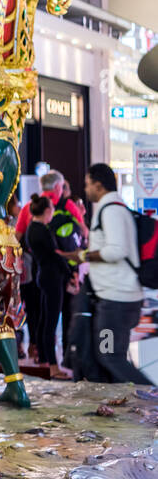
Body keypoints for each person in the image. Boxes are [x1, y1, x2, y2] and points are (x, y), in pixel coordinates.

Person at [75, 164, 152, 385]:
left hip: (116, 303)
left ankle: (151, 398)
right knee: (110, 356)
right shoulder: (113, 208)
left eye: (88, 184)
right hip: (117, 300)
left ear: (99, 185)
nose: (85, 188)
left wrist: (84, 256)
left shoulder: (111, 210)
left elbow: (116, 250)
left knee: (110, 356)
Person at [24, 195, 71, 377]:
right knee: (50, 323)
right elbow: (56, 255)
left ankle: (45, 362)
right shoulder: (42, 230)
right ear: (47, 211)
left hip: (42, 275)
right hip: (51, 277)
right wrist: (70, 274)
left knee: (44, 321)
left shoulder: (31, 229)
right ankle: (53, 366)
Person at [14, 169, 84, 238]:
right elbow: (84, 230)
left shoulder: (28, 206)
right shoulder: (68, 204)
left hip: (35, 248)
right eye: (62, 186)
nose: (62, 191)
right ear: (57, 186)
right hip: (64, 248)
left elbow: (17, 235)